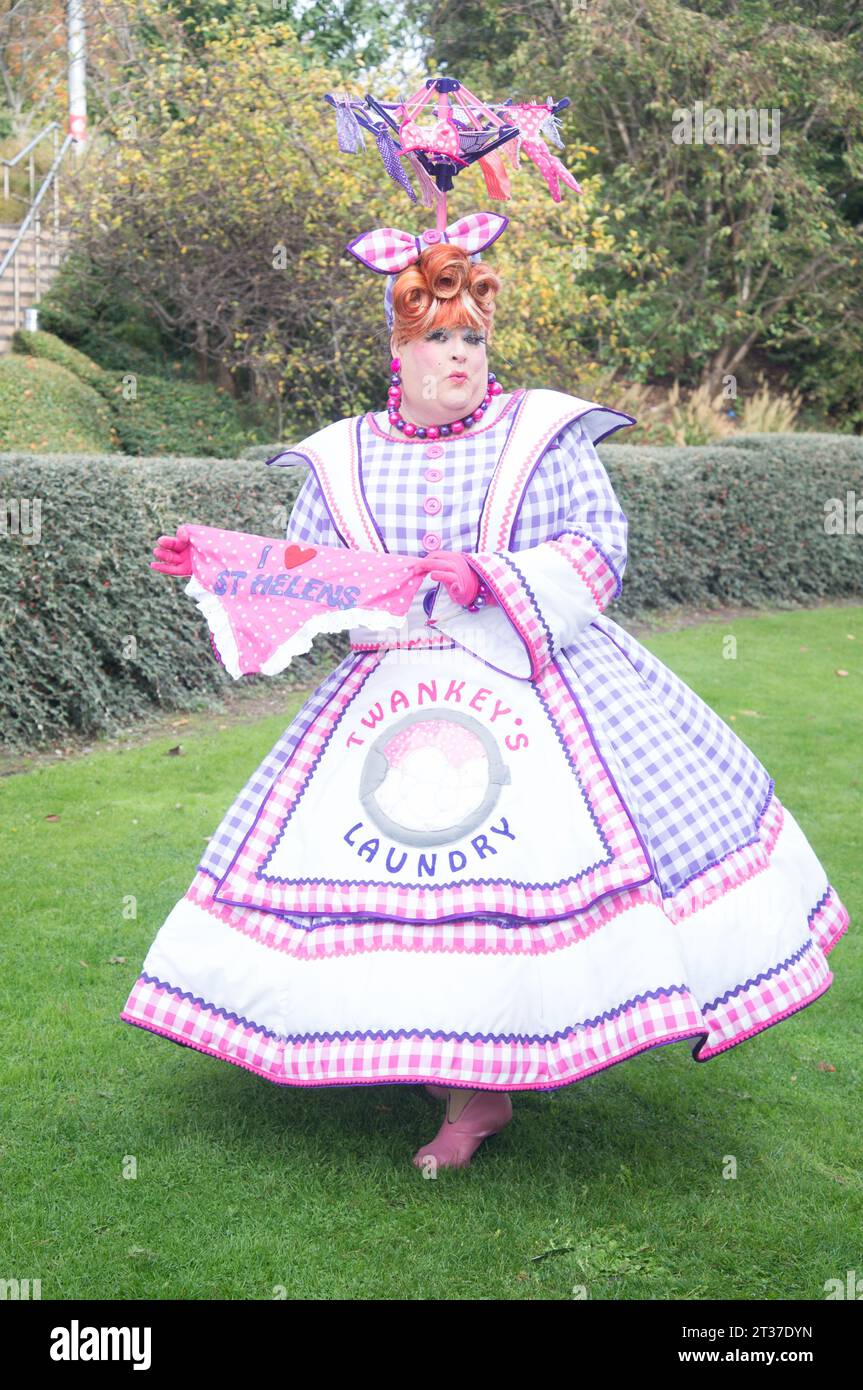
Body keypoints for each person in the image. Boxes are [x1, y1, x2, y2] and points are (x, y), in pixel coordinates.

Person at [123, 240, 849, 1172]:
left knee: (508, 875)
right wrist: (221, 563)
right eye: (437, 337)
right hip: (389, 699)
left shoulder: (541, 432)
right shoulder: (339, 456)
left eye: (471, 336)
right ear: (399, 350)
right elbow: (320, 575)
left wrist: (493, 575)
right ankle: (438, 1051)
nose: (459, 354)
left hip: (540, 687)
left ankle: (480, 1091)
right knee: (404, 879)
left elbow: (598, 547)